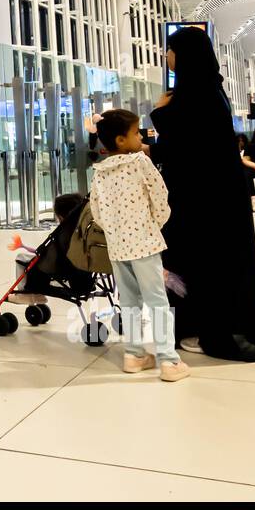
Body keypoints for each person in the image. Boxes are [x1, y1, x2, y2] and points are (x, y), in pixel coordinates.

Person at [149, 24, 255, 361]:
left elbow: (184, 147)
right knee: (205, 261)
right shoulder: (208, 91)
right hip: (213, 196)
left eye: (170, 51)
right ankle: (201, 327)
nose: (167, 57)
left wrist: (159, 112)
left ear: (184, 55)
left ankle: (205, 331)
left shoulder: (194, 95)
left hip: (199, 201)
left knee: (198, 261)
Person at [90, 109, 189, 382]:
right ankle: (169, 360)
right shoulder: (139, 163)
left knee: (130, 301)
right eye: (136, 133)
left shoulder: (99, 172)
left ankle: (134, 354)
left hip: (118, 247)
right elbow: (160, 196)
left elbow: (96, 211)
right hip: (144, 244)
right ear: (121, 140)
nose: (140, 137)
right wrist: (153, 225)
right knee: (157, 301)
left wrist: (114, 232)